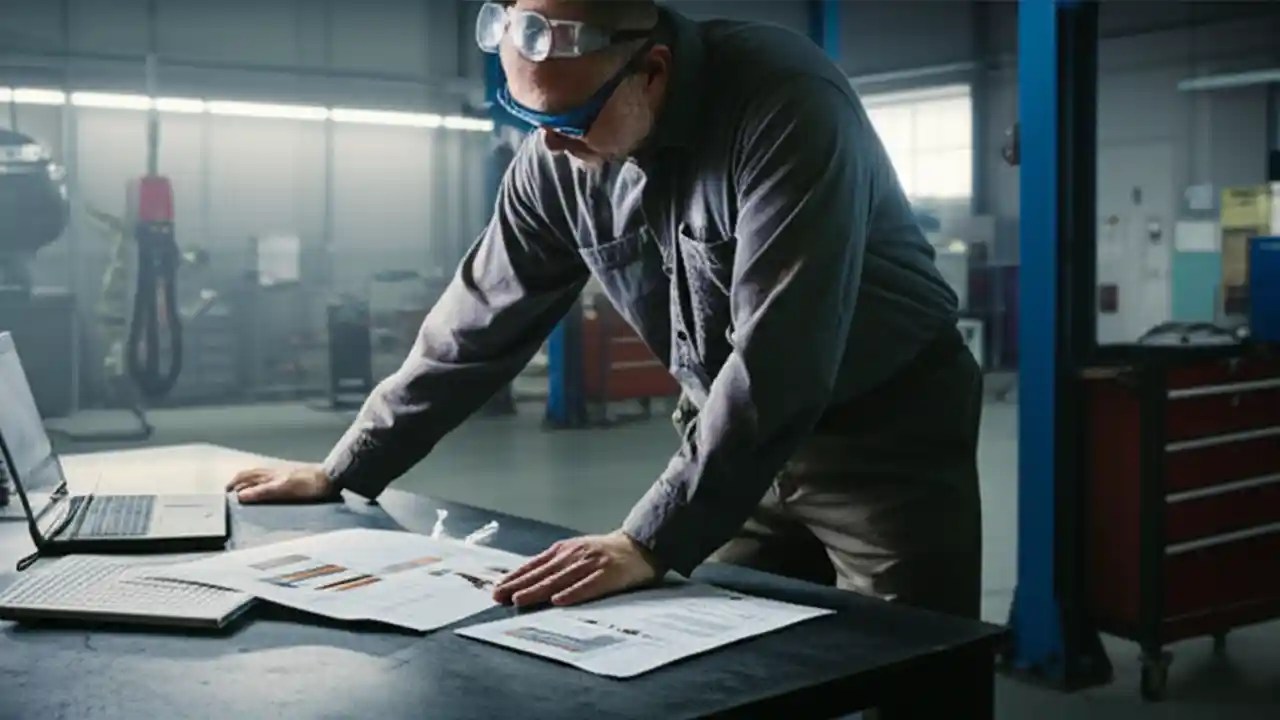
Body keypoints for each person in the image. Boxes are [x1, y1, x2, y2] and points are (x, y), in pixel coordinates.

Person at [228, 0, 982, 619]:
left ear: (651, 72)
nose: (547, 149)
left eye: (568, 120)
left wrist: (649, 539)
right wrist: (348, 467)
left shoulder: (784, 107)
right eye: (527, 119)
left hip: (882, 440)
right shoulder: (556, 156)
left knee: (909, 666)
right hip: (728, 438)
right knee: (722, 654)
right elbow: (475, 326)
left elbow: (782, 357)